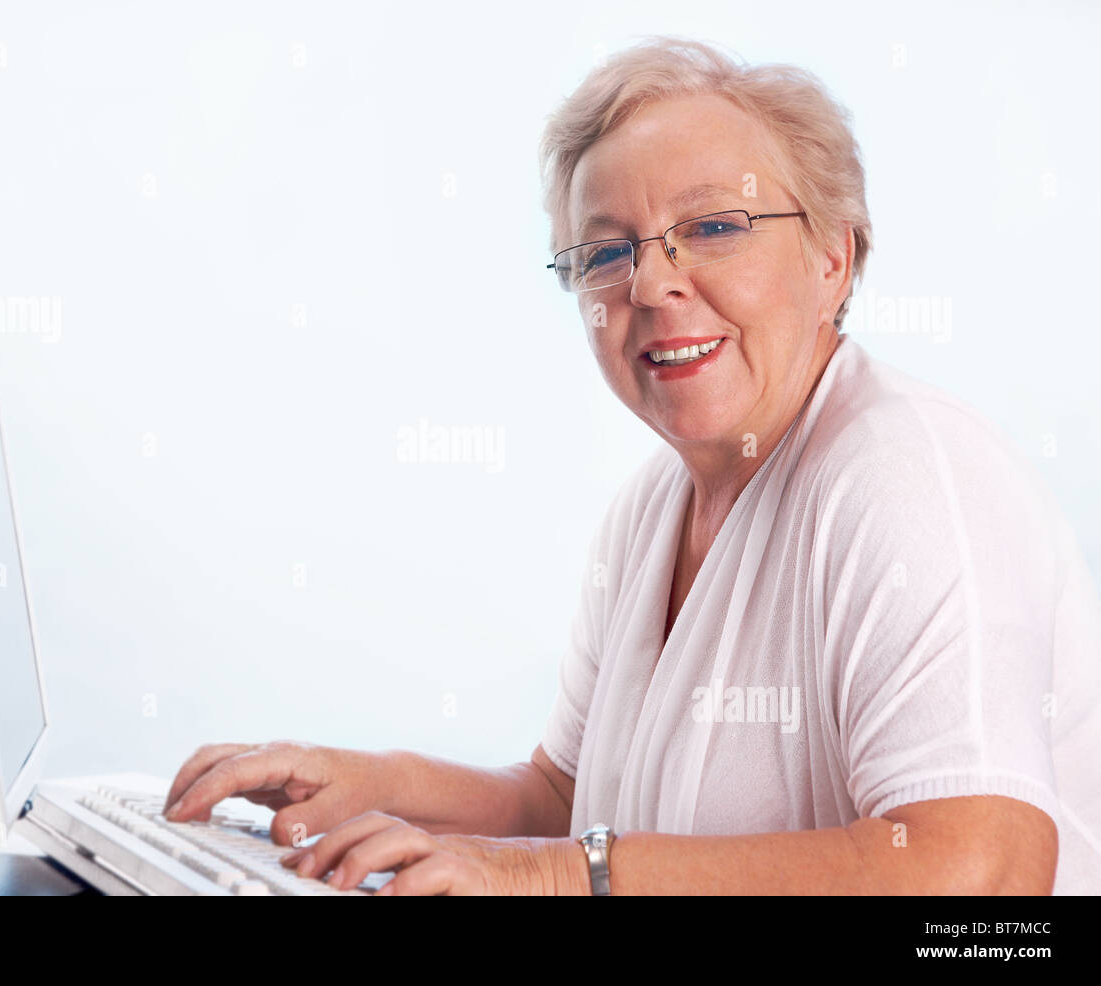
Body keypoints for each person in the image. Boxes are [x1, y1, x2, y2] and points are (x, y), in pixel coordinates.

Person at [164, 36, 1101, 895]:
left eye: (716, 226)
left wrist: (553, 881)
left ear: (832, 259)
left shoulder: (905, 474)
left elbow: (983, 872)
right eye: (605, 251)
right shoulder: (651, 509)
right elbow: (566, 802)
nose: (651, 284)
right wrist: (376, 786)